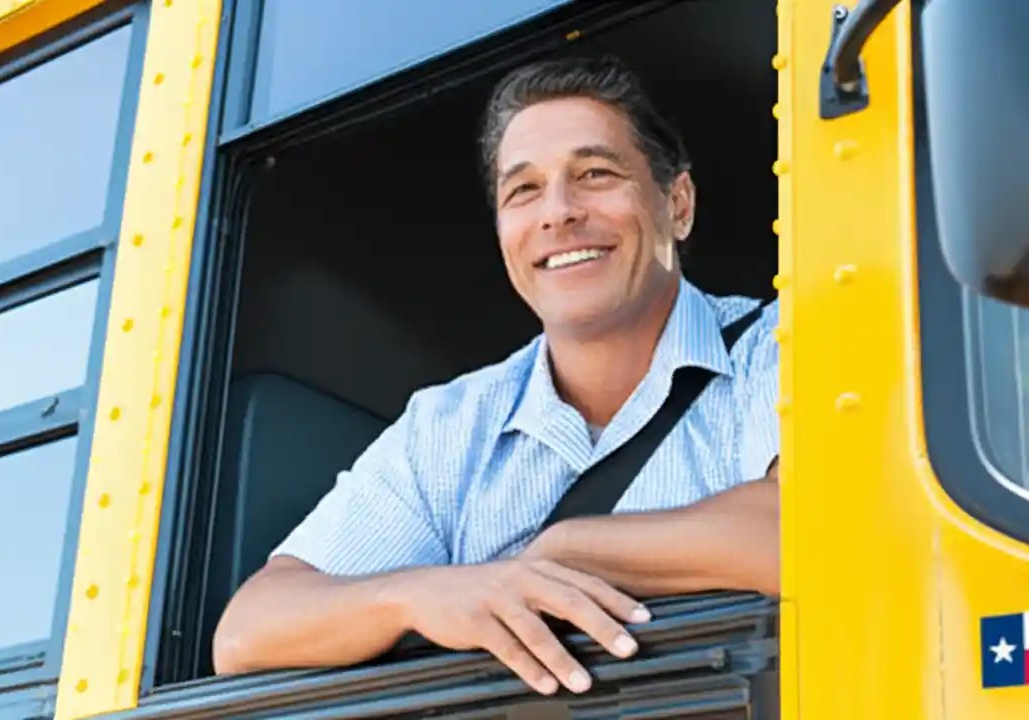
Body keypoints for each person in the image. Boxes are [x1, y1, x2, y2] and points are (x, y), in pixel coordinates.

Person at [213, 55, 780, 698]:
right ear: (505, 235)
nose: (558, 213)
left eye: (595, 173)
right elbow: (247, 633)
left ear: (677, 204)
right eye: (524, 190)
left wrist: (562, 550)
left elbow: (809, 533)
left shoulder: (779, 344)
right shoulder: (449, 424)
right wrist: (419, 595)